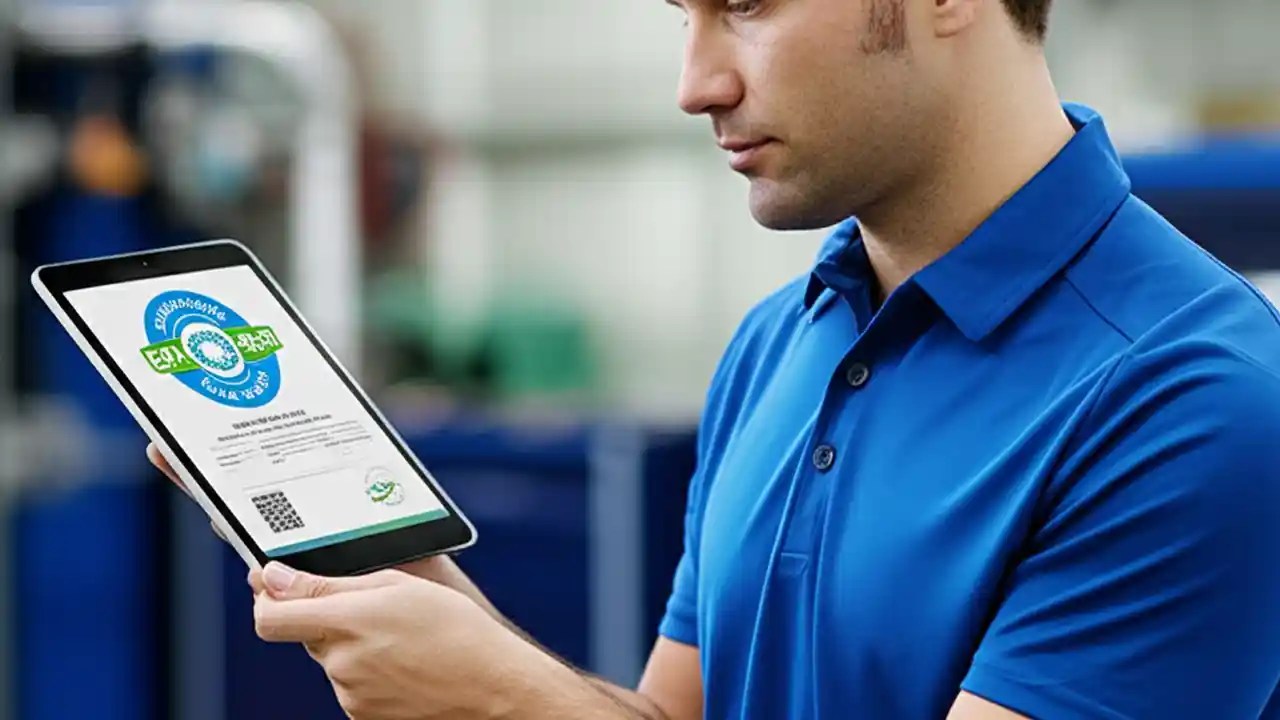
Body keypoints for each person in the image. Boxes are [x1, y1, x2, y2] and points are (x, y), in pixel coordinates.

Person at [151, 0, 1280, 717]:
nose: (694, 82)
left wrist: (513, 707)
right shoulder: (773, 349)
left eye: (744, 4)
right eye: (680, 15)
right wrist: (450, 630)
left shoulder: (1192, 401)